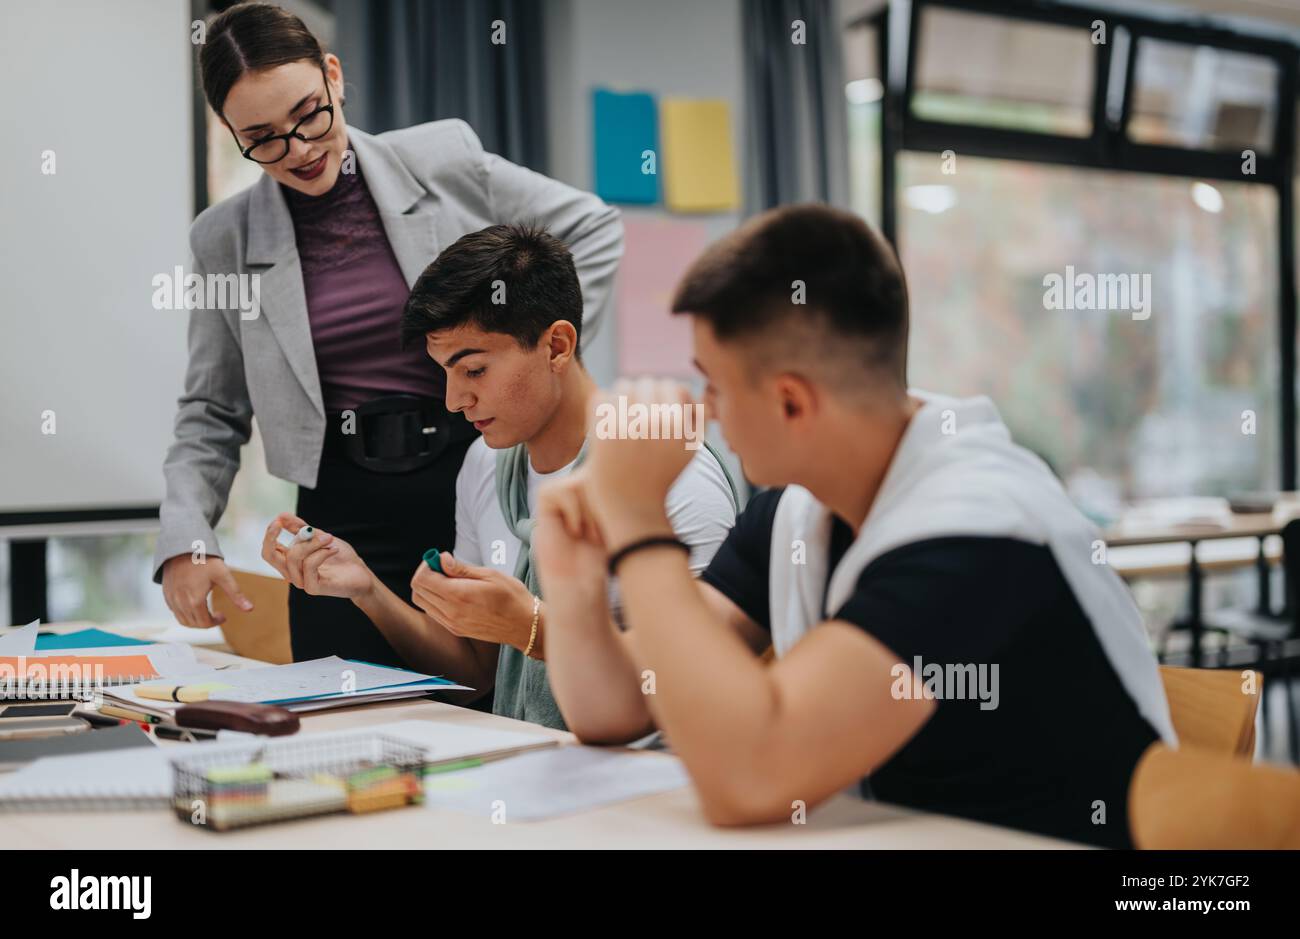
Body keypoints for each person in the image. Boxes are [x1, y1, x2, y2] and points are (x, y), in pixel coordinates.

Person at [532, 203, 1176, 847]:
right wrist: (577, 583)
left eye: (714, 386)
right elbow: (615, 710)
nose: (706, 412)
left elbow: (751, 778)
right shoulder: (795, 511)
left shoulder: (979, 533)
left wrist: (644, 529)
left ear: (791, 401)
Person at [157, 2, 622, 670]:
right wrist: (185, 539)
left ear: (335, 77)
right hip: (340, 510)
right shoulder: (223, 240)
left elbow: (596, 229)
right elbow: (211, 409)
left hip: (472, 472)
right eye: (262, 138)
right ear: (230, 132)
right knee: (343, 715)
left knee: (492, 698)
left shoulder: (440, 158)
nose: (300, 149)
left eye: (310, 114)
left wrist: (542, 363)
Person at [264, 224, 737, 730]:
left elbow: (695, 683)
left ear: (557, 346)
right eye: (443, 373)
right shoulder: (484, 465)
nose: (452, 401)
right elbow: (475, 672)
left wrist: (532, 625)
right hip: (525, 768)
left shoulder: (674, 475)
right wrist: (368, 591)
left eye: (473, 371)